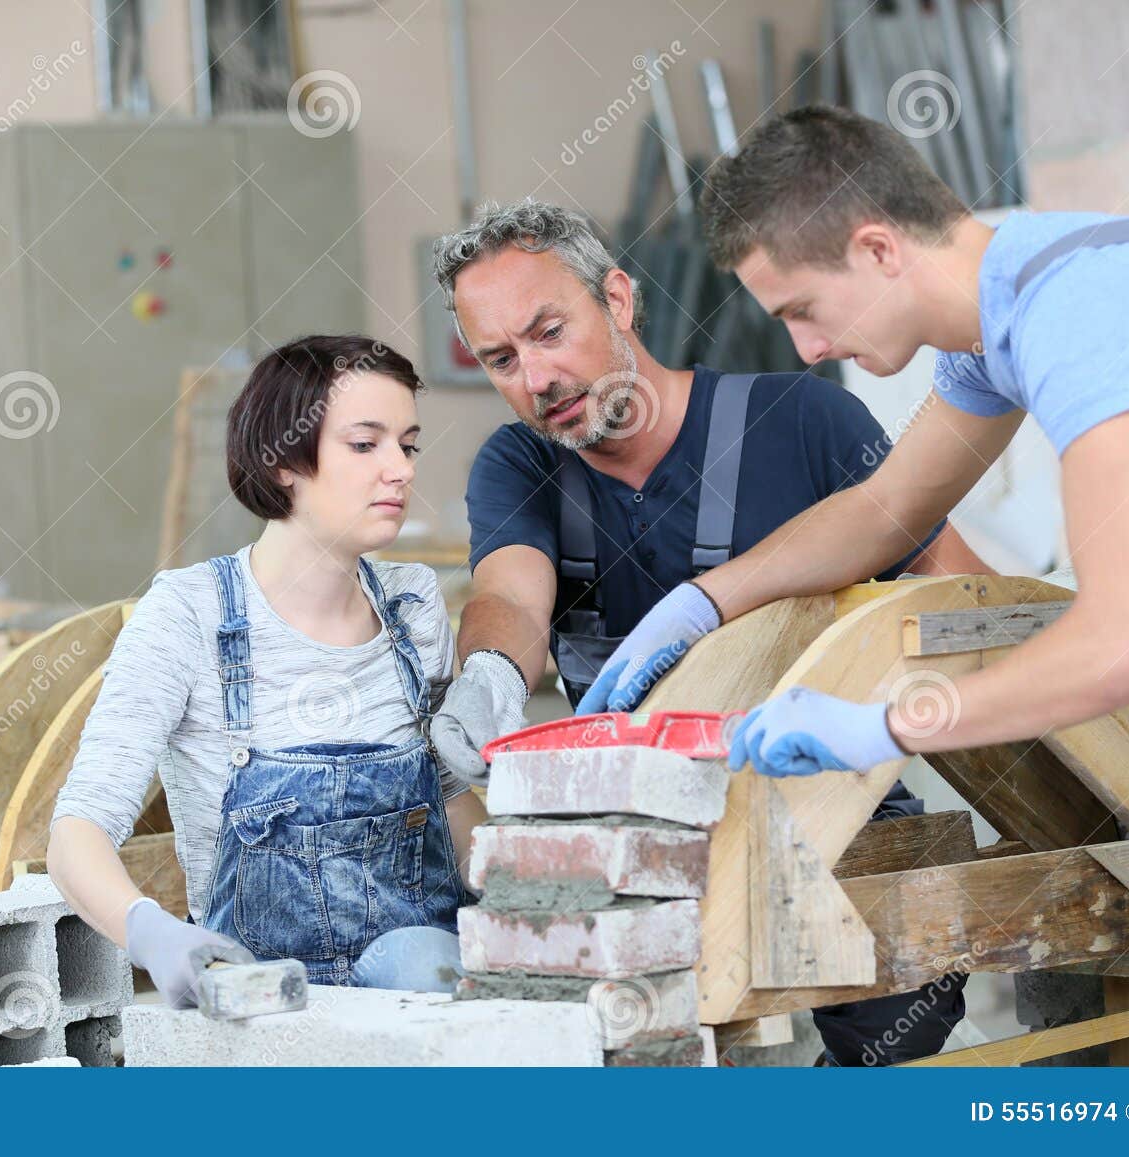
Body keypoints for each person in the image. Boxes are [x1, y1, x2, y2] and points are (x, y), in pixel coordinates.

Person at [697, 105, 1129, 1064]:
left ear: (876, 248)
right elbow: (889, 509)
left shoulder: (1071, 311)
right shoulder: (1000, 317)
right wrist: (706, 602)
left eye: (801, 309)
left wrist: (888, 726)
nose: (804, 348)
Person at [425, 198, 987, 1064]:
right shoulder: (521, 464)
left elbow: (966, 601)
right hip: (639, 846)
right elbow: (512, 595)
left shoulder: (804, 424)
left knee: (895, 1032)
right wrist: (492, 674)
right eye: (501, 358)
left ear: (617, 299)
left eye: (549, 332)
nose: (536, 378)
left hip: (837, 819)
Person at [48, 334, 485, 1007]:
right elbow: (78, 833)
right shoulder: (187, 613)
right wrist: (151, 932)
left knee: (424, 962)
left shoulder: (413, 603)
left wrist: (528, 896)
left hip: (426, 1004)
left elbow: (451, 799)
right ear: (281, 461)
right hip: (265, 1009)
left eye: (408, 445)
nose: (399, 469)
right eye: (365, 444)